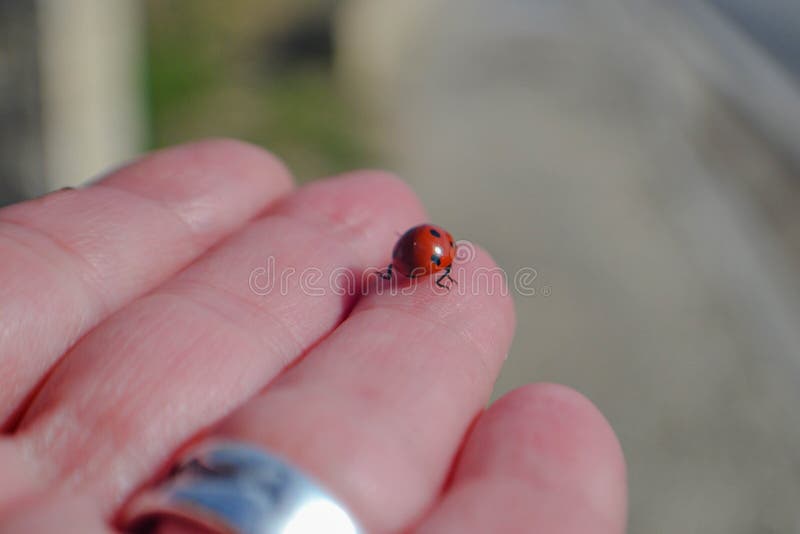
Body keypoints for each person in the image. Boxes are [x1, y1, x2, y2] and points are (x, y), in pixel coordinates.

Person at [0, 140, 626, 533]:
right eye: (436, 262)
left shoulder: (423, 250)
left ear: (436, 255)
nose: (437, 260)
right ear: (442, 258)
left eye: (435, 261)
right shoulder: (430, 253)